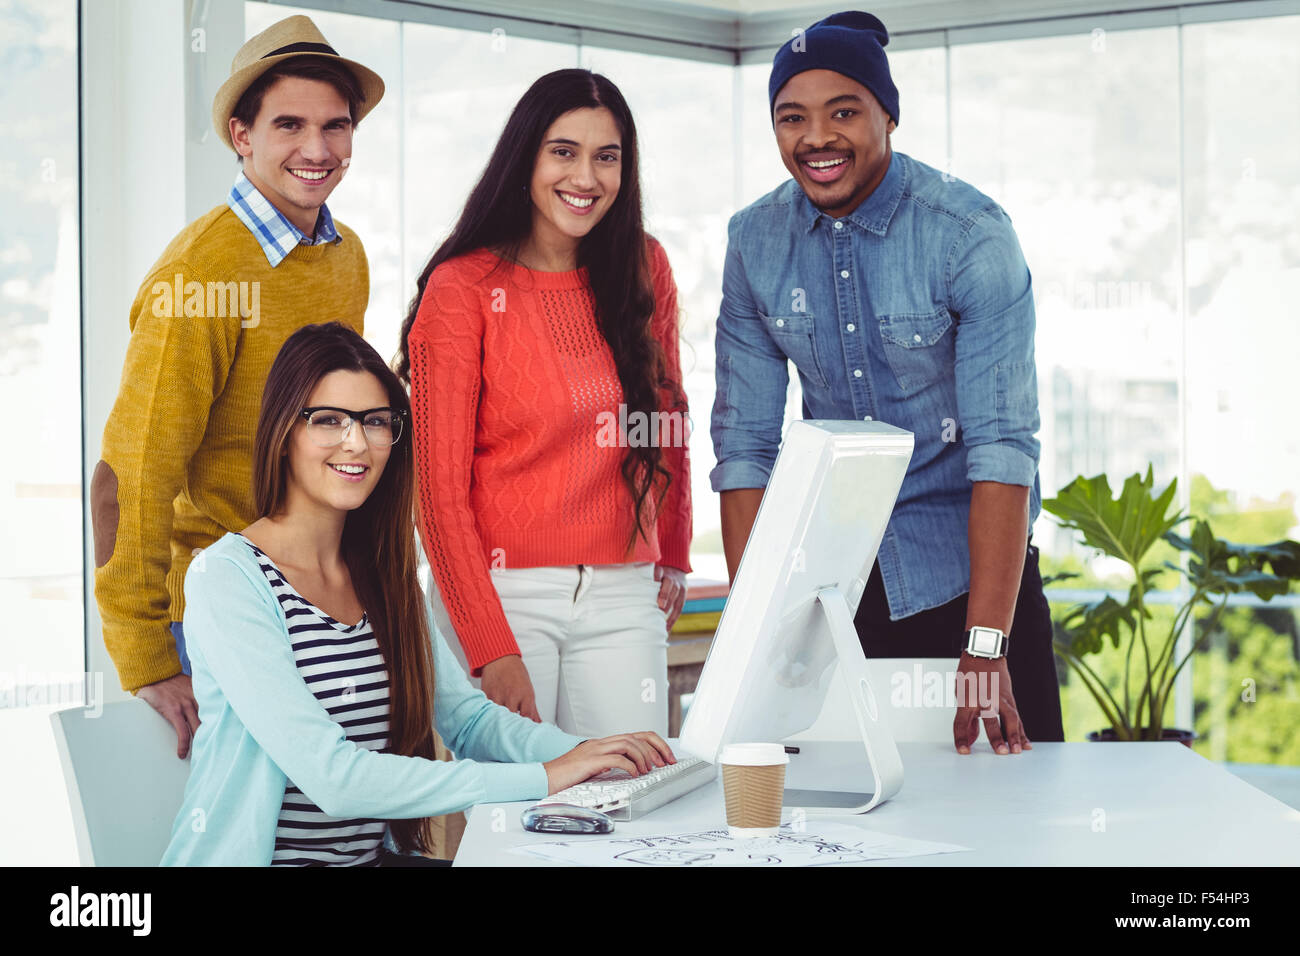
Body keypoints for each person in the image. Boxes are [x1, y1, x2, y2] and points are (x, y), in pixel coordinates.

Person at [162, 323, 674, 866]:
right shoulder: (228, 578)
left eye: (375, 422)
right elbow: (332, 779)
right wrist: (544, 778)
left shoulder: (383, 577)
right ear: (284, 431)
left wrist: (591, 755)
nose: (356, 442)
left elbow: (469, 721)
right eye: (329, 420)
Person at [710, 11, 1064, 754]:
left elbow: (1002, 449)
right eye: (791, 117)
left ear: (888, 114)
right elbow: (744, 446)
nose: (816, 138)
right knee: (851, 820)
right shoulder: (754, 242)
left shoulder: (969, 234)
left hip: (974, 582)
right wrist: (752, 635)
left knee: (1013, 815)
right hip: (837, 590)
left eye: (844, 111)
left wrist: (987, 646)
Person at [91, 15, 381, 758]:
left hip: (319, 600)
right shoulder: (199, 275)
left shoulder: (346, 257)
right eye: (289, 124)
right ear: (241, 134)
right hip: (218, 614)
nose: (317, 150)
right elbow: (130, 474)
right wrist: (147, 655)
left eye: (335, 126)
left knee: (328, 825)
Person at [396, 69, 692, 739]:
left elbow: (666, 418)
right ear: (526, 156)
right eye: (563, 151)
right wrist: (489, 644)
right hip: (506, 592)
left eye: (606, 156)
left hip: (623, 589)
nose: (585, 176)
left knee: (629, 801)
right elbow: (438, 495)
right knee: (519, 821)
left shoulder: (646, 266)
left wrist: (670, 548)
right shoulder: (463, 287)